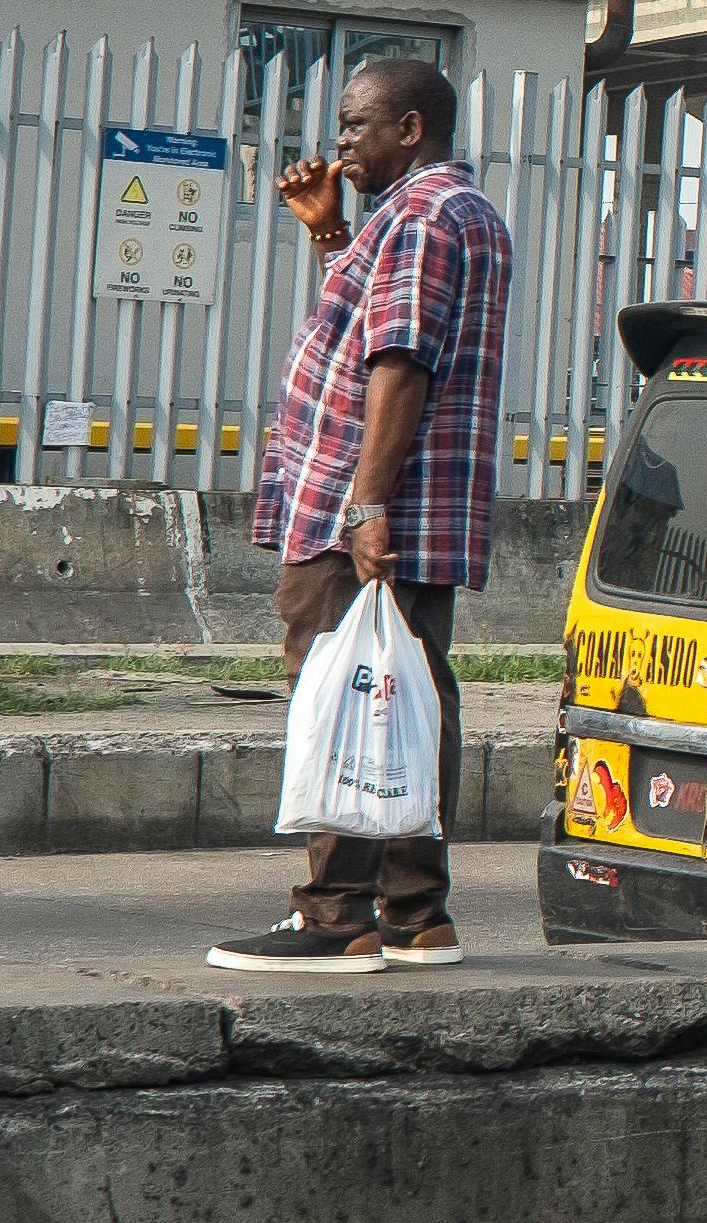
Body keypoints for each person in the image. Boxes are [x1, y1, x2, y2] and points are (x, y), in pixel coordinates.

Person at [210, 54, 514, 973]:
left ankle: (336, 913)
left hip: (366, 514)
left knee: (341, 694)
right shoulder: (456, 217)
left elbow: (400, 361)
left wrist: (364, 504)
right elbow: (386, 322)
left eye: (355, 126)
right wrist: (331, 234)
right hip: (421, 512)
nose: (339, 142)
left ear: (410, 129)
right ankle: (417, 911)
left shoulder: (421, 220)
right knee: (409, 700)